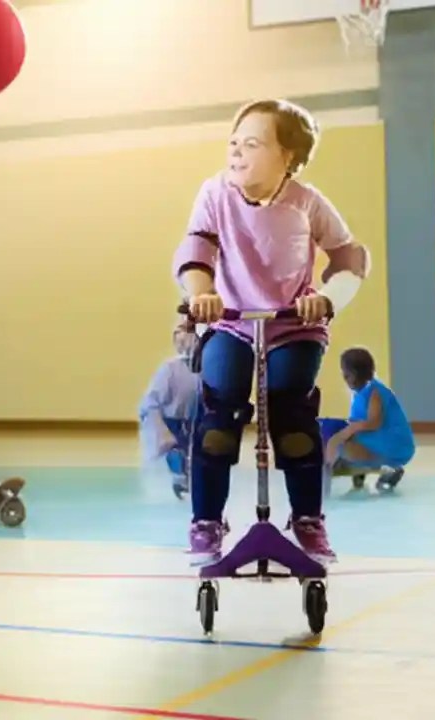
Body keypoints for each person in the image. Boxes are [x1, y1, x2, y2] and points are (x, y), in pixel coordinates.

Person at [174, 99, 371, 565]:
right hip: (231, 320)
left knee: (291, 414)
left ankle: (307, 518)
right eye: (234, 142)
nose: (237, 151)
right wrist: (202, 293)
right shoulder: (215, 193)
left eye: (252, 144)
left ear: (288, 155)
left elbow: (349, 257)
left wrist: (326, 298)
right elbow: (197, 248)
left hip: (293, 323)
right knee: (219, 414)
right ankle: (206, 520)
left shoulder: (307, 202)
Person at [321, 346, 415, 492]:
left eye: (347, 374)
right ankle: (357, 469)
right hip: (377, 440)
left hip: (393, 444)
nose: (344, 377)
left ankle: (386, 468)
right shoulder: (360, 393)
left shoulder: (375, 391)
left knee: (344, 447)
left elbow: (374, 423)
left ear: (358, 374)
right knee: (334, 437)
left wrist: (347, 431)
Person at [138, 321, 202, 499]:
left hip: (195, 420)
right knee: (175, 452)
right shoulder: (170, 369)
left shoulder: (205, 366)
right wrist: (160, 428)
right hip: (172, 421)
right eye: (179, 338)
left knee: (194, 455)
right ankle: (180, 479)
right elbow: (151, 402)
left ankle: (189, 481)